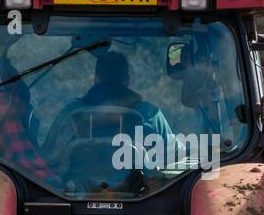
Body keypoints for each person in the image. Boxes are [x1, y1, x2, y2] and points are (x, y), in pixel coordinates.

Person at [43, 49, 173, 169]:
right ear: (127, 80)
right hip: (143, 191)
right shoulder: (150, 114)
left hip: (72, 192)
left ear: (96, 79)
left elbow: (48, 159)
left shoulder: (71, 114)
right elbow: (175, 157)